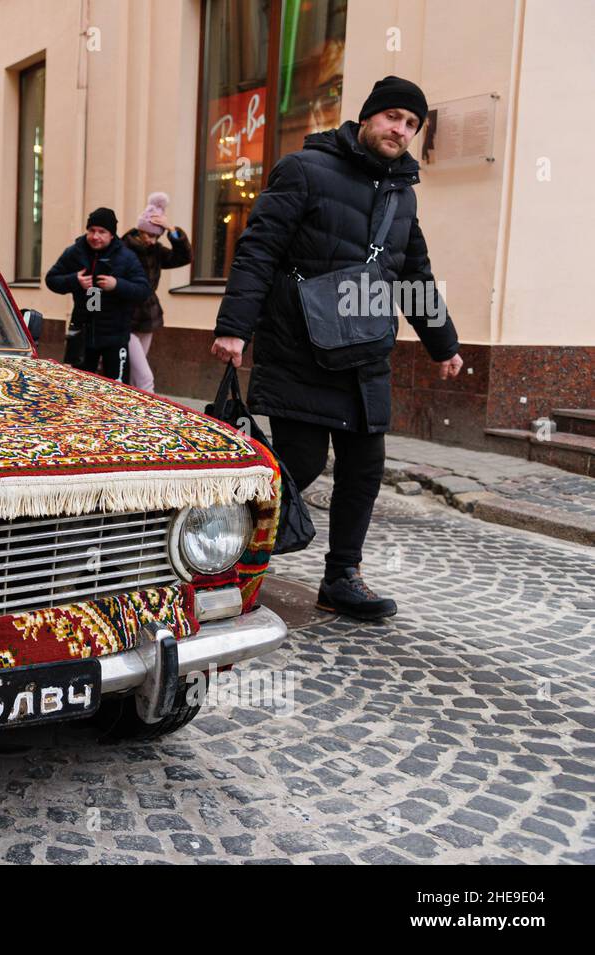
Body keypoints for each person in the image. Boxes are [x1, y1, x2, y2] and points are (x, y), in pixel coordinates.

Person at [210, 75, 463, 621]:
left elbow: (413, 273)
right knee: (297, 463)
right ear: (369, 117)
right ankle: (219, 553)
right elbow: (259, 249)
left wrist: (444, 344)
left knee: (363, 468)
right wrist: (235, 327)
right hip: (301, 349)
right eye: (394, 117)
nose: (401, 130)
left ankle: (342, 576)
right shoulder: (305, 169)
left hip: (366, 352)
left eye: (412, 124)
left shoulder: (402, 194)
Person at [45, 207, 150, 383]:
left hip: (115, 335)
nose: (95, 236)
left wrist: (117, 285)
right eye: (92, 231)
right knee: (79, 387)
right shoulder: (75, 252)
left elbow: (143, 290)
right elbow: (51, 279)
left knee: (117, 389)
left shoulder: (126, 257)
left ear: (111, 235)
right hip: (82, 334)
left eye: (102, 232)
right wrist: (74, 280)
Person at [121, 192, 192, 392]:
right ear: (140, 230)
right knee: (145, 377)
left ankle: (133, 413)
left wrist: (172, 230)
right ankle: (150, 415)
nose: (152, 240)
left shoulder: (156, 251)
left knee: (135, 376)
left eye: (156, 236)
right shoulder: (124, 248)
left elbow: (184, 257)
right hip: (127, 319)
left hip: (148, 318)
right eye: (150, 234)